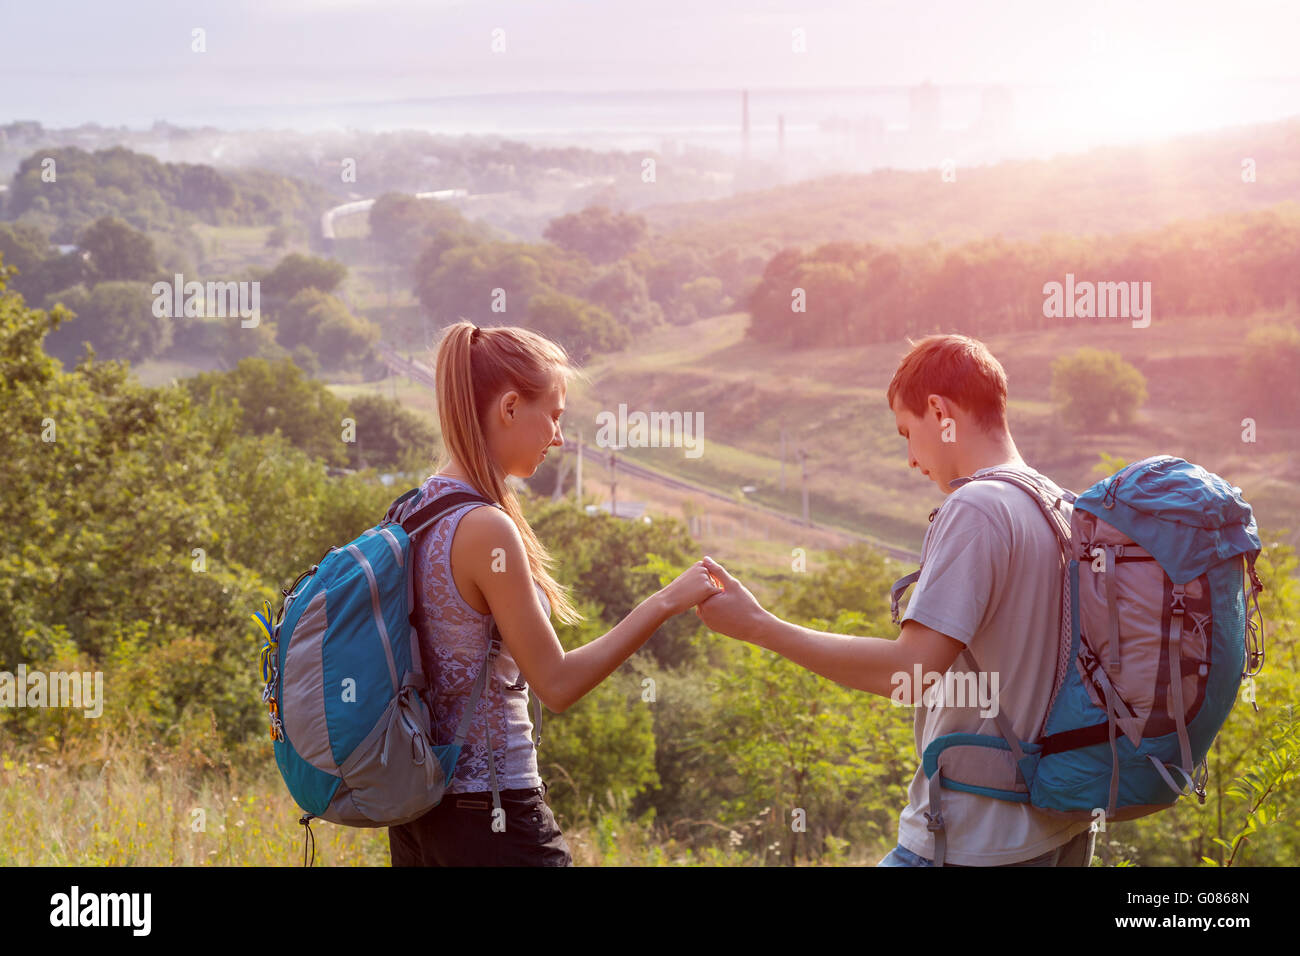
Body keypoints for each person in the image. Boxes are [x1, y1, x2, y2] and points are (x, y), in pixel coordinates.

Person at [694, 333, 1095, 867]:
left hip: (974, 838)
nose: (910, 459)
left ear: (939, 411)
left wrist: (759, 626)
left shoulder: (978, 508)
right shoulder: (1062, 506)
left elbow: (906, 675)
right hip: (1060, 828)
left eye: (908, 433)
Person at [388, 320, 721, 867]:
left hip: (418, 815)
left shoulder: (410, 511)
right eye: (555, 415)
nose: (560, 437)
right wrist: (664, 603)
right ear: (510, 407)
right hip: (494, 812)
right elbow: (558, 684)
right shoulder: (484, 527)